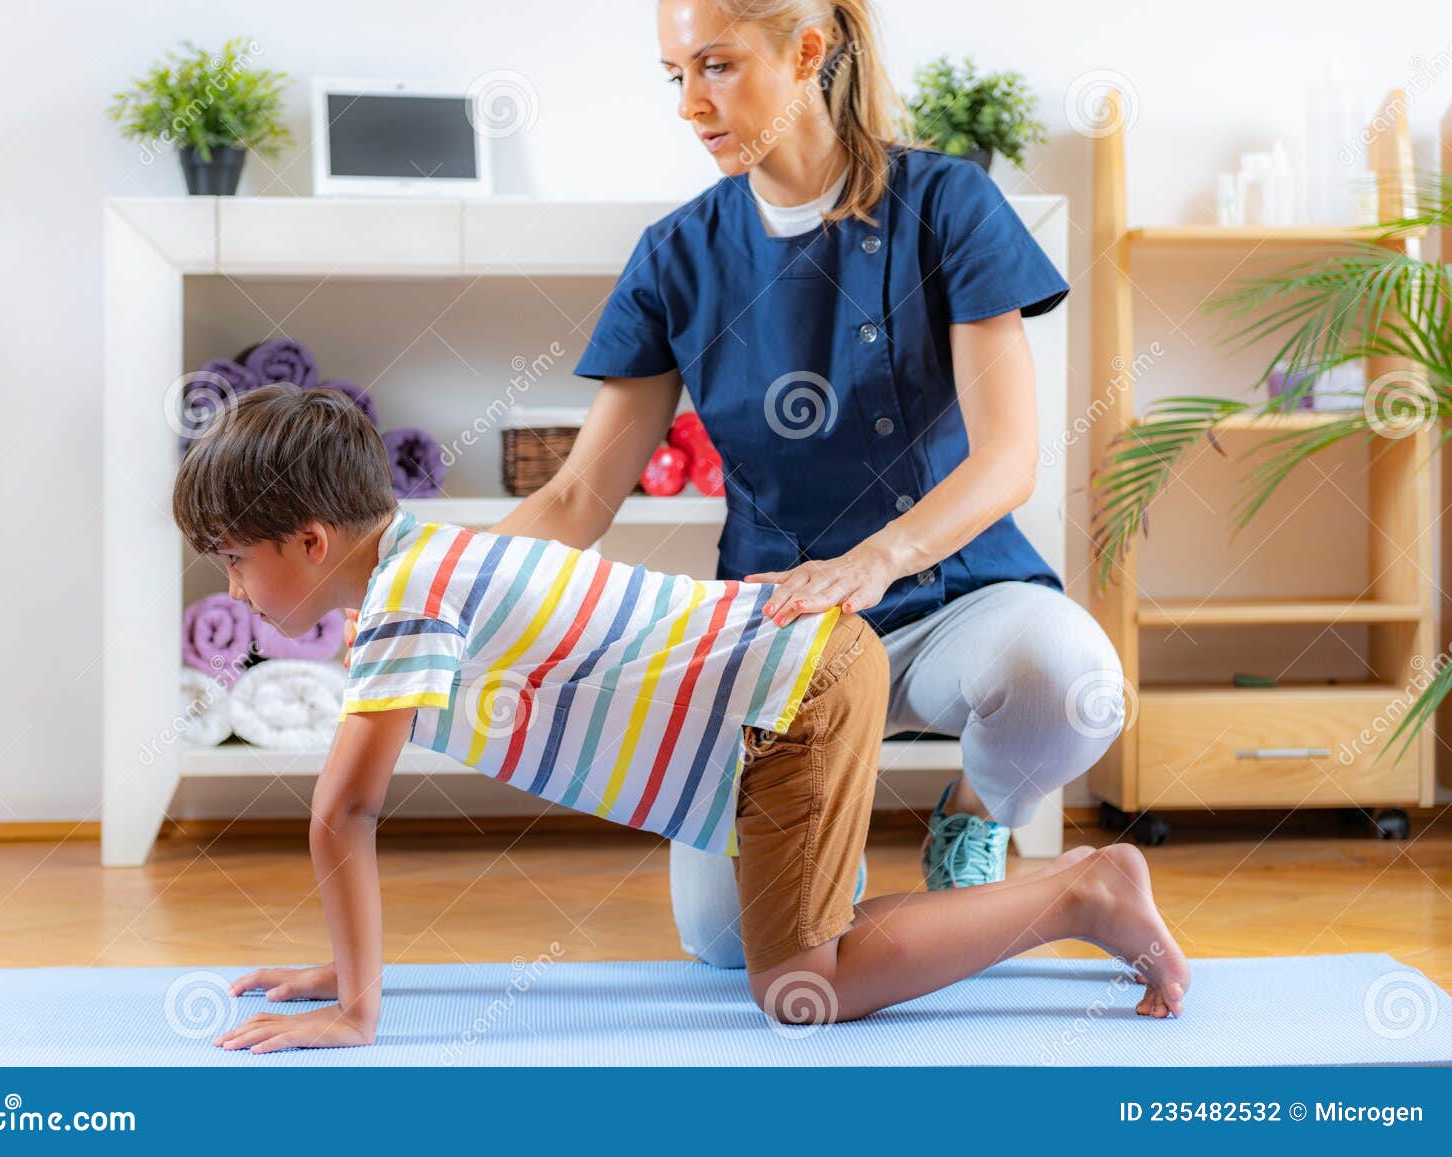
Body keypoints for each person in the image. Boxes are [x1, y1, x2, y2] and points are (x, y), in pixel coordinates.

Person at [173, 386, 1188, 1052]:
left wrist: (357, 1008)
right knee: (774, 948)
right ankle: (1076, 890)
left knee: (803, 980)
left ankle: (1080, 893)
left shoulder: (407, 591)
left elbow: (342, 812)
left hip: (792, 687)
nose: (233, 585)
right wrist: (344, 966)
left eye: (231, 558)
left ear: (309, 540)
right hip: (790, 676)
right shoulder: (424, 564)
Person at [487, 0, 1128, 968]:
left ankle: (973, 812)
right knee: (732, 940)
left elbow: (1008, 457)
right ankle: (856, 860)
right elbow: (580, 495)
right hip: (781, 628)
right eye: (676, 75)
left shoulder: (945, 206)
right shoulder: (677, 255)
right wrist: (436, 587)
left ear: (808, 52)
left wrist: (874, 561)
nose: (689, 106)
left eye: (716, 66)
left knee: (1071, 683)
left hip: (956, 602)